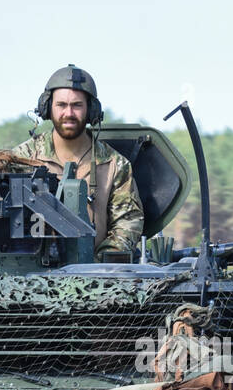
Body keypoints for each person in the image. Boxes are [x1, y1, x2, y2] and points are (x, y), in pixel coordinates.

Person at [11, 65, 143, 256]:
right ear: (47, 108)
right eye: (61, 105)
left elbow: (128, 220)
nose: (69, 113)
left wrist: (101, 261)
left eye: (77, 105)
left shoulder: (114, 165)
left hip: (93, 277)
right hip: (32, 271)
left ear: (91, 110)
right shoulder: (23, 159)